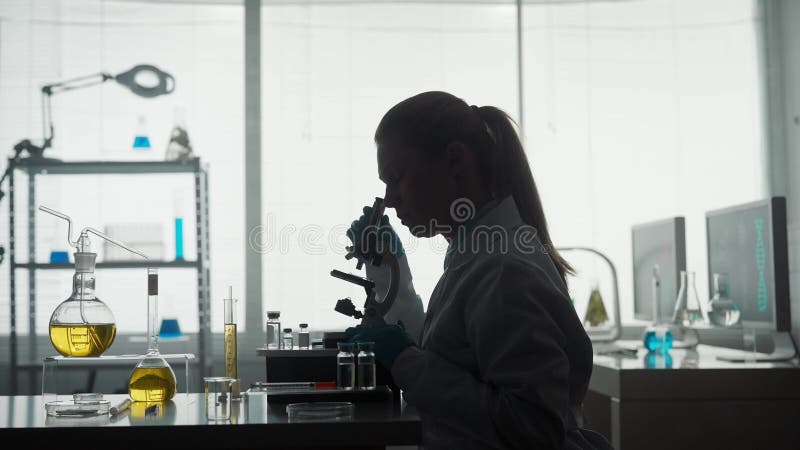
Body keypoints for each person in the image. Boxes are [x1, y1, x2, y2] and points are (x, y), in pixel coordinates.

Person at [346, 91, 613, 450]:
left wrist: (406, 360)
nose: (390, 200)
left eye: (396, 177)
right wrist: (389, 269)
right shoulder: (476, 253)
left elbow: (534, 428)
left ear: (455, 160)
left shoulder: (504, 268)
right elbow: (454, 354)